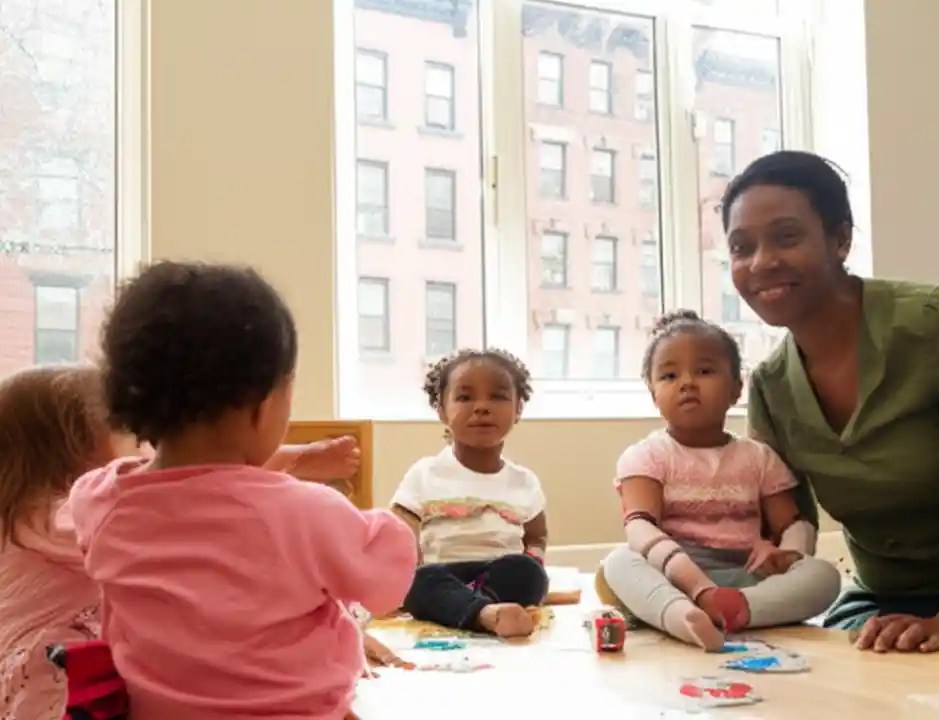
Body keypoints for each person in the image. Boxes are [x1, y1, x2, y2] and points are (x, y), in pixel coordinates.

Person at [724, 150, 939, 659]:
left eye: (787, 237)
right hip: (879, 601)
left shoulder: (934, 324)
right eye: (741, 247)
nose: (761, 262)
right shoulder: (769, 389)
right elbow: (786, 535)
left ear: (840, 239)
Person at [67, 261, 418, 720]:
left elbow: (200, 491)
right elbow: (385, 584)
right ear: (264, 407)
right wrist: (398, 526)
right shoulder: (305, 512)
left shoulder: (98, 501)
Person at [0, 364, 410, 720]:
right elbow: (192, 502)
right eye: (131, 437)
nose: (144, 456)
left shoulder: (27, 520)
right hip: (54, 691)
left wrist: (290, 459)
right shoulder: (71, 514)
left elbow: (190, 488)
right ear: (77, 449)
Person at [597, 311, 842, 651]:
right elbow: (641, 528)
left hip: (745, 576)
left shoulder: (759, 458)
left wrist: (787, 552)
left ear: (736, 389)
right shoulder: (647, 456)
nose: (687, 383)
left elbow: (792, 522)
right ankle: (683, 616)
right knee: (619, 563)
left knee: (823, 576)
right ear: (653, 394)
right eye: (669, 375)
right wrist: (697, 586)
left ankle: (737, 611)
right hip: (676, 576)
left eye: (704, 371)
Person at [392, 349, 550, 639]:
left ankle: (477, 609)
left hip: (499, 573)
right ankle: (485, 614)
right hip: (441, 573)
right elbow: (400, 529)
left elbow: (536, 535)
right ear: (441, 409)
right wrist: (409, 562)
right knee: (416, 582)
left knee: (528, 573)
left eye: (497, 396)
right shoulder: (425, 473)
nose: (481, 407)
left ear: (518, 409)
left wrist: (534, 558)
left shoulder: (523, 482)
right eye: (465, 397)